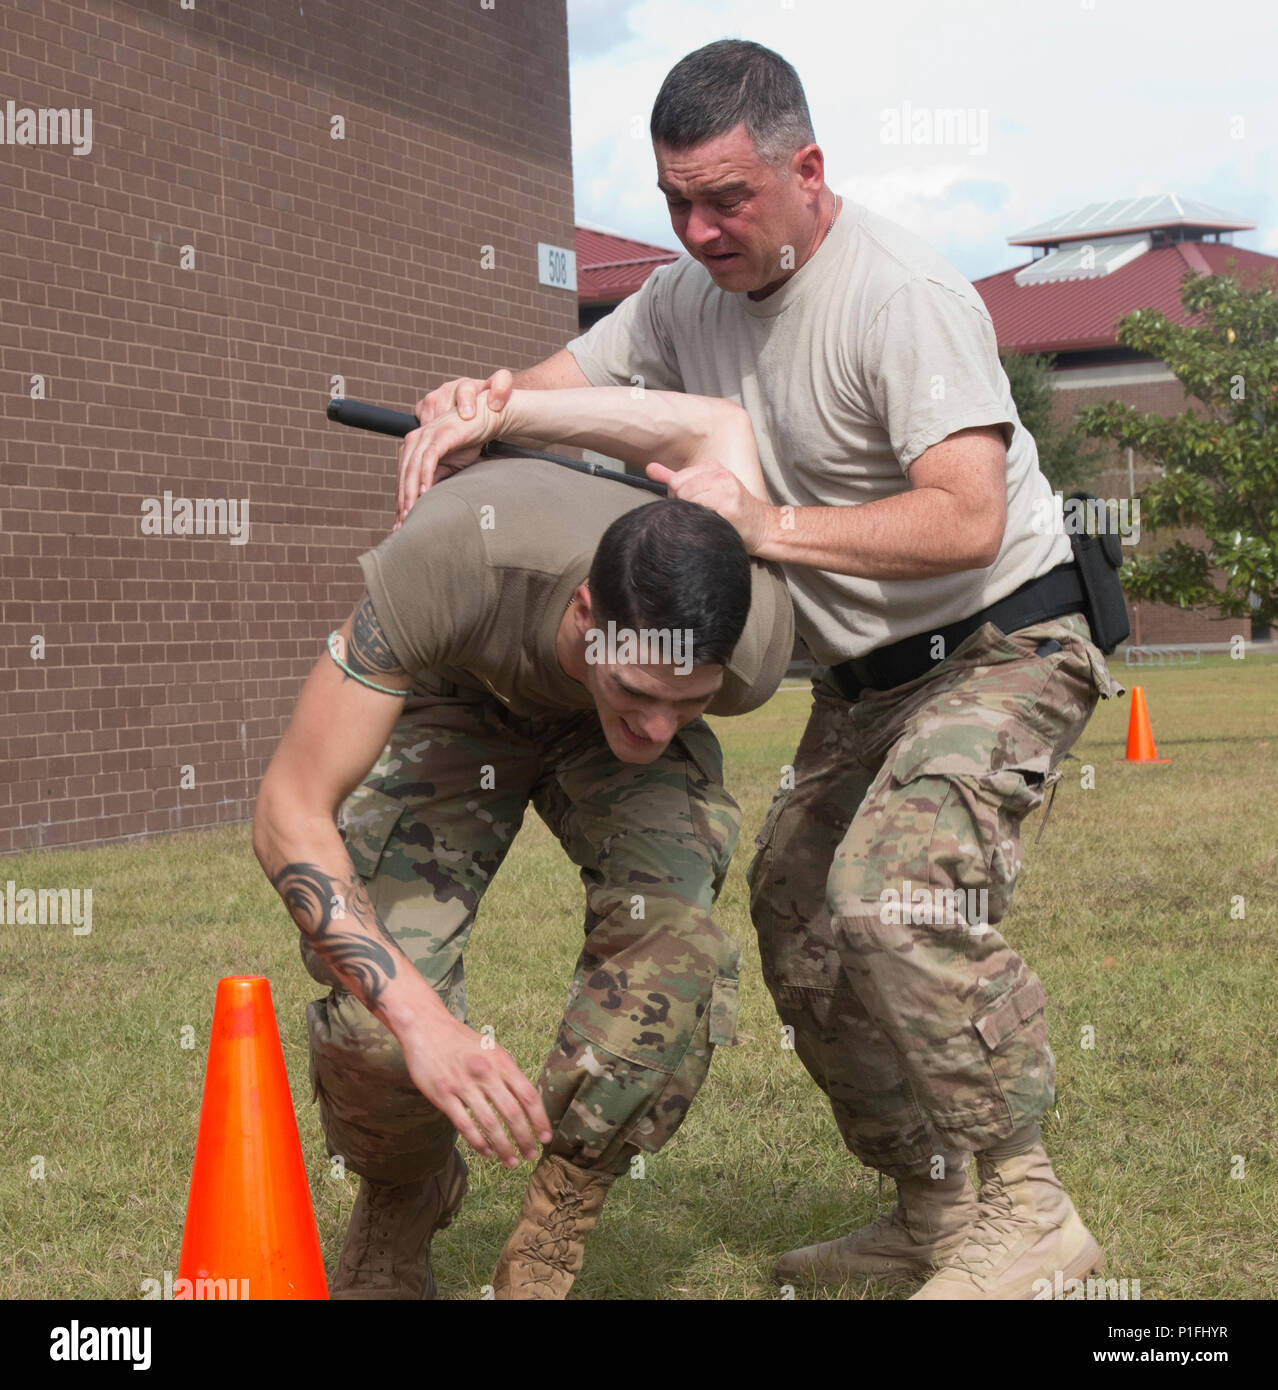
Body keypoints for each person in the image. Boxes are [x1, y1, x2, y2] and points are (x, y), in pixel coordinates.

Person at [397, 39, 1123, 1301]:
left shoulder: (898, 294)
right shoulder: (691, 296)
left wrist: (759, 526)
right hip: (863, 681)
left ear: (807, 170)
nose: (698, 226)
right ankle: (936, 1206)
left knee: (893, 893)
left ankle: (1030, 1212)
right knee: (799, 911)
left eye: (727, 197)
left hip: (1003, 637)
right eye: (677, 198)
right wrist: (486, 401)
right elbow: (564, 383)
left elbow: (959, 517)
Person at [253, 386, 794, 1300]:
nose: (663, 727)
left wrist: (643, 702)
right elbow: (288, 808)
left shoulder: (752, 645)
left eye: (689, 702)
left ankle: (561, 1207)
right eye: (643, 690)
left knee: (677, 943)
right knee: (376, 1009)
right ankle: (399, 1200)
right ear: (587, 610)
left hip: (588, 725)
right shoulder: (453, 556)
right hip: (463, 687)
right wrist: (423, 1025)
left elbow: (726, 425)